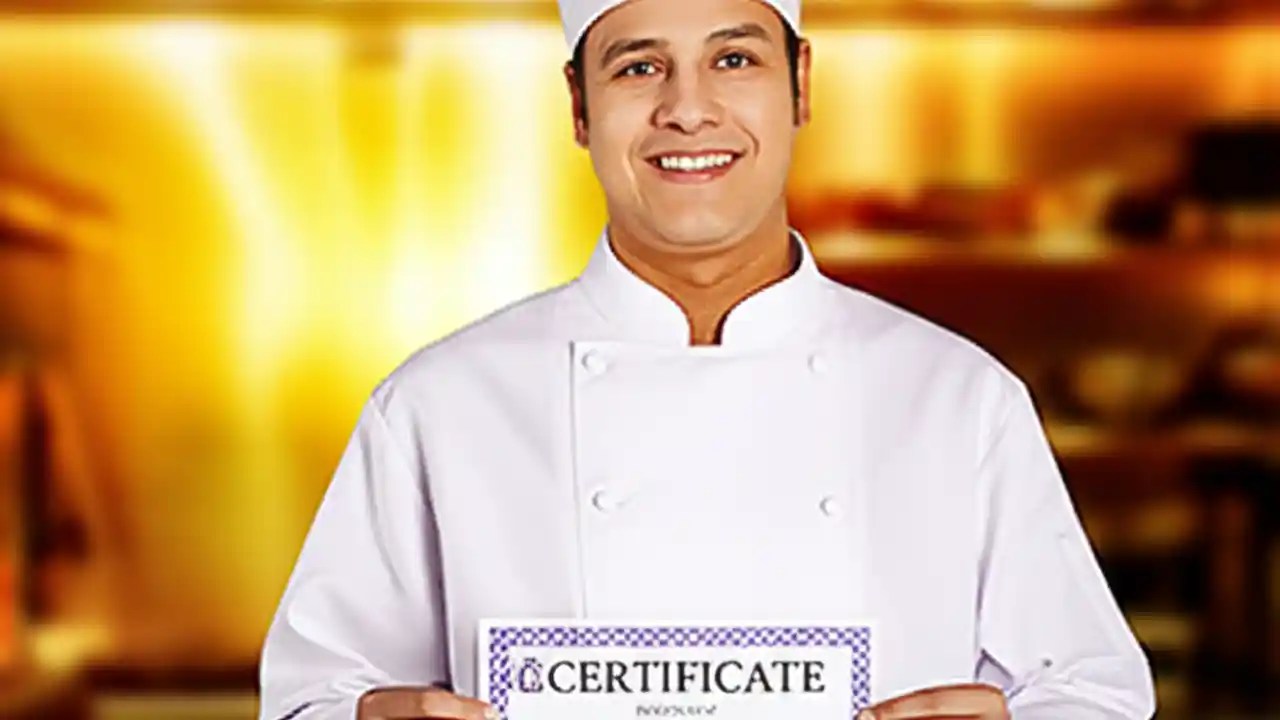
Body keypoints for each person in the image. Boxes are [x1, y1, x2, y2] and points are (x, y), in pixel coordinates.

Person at [257, 0, 1157, 716]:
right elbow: (310, 700)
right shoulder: (439, 404)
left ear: (801, 82)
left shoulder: (956, 396)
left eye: (735, 59)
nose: (687, 108)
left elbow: (1094, 694)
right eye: (639, 65)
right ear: (578, 106)